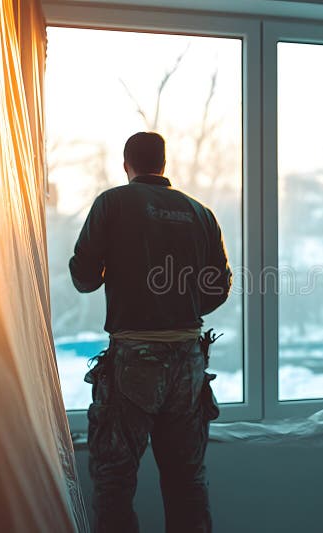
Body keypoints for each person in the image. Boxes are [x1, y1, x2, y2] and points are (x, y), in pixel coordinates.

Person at [70, 131, 231, 533]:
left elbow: (84, 278)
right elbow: (218, 289)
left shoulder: (113, 203)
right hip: (189, 366)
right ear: (163, 164)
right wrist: (183, 308)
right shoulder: (200, 212)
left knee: (114, 482)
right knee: (187, 481)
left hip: (134, 363)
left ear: (127, 165)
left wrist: (112, 270)